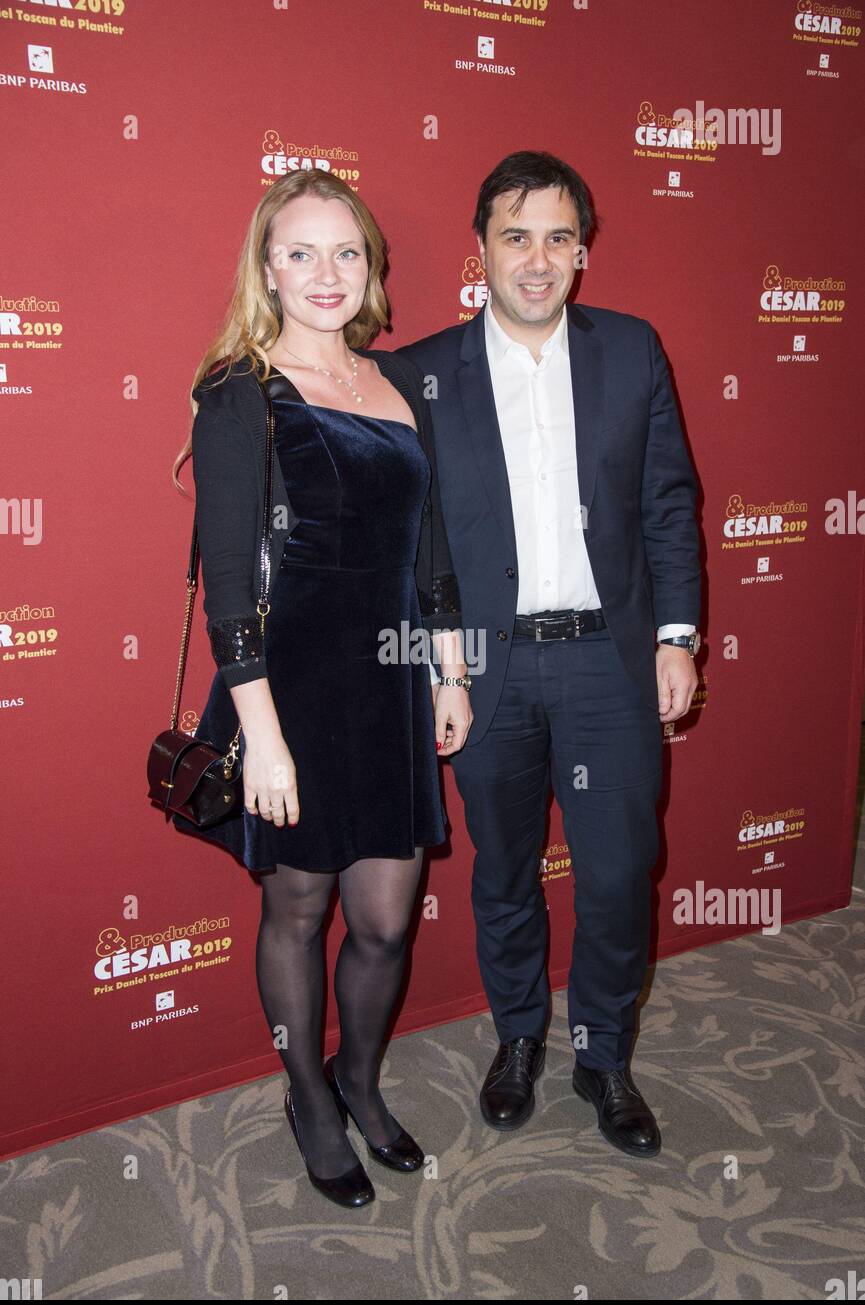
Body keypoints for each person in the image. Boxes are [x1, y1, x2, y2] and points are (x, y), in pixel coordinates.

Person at [171, 169, 472, 1207]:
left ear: (372, 267)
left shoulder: (396, 384)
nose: (326, 273)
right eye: (300, 252)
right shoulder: (239, 389)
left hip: (389, 686)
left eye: (346, 251)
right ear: (266, 268)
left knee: (387, 917)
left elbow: (431, 548)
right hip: (287, 690)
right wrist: (265, 736)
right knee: (297, 908)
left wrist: (450, 668)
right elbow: (227, 584)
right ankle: (307, 1093)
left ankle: (356, 1073)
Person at [399, 150, 701, 1157]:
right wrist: (442, 669)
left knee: (618, 874)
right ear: (479, 248)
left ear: (583, 249)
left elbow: (667, 502)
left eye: (559, 237)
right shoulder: (426, 371)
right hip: (487, 671)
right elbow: (417, 544)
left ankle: (604, 1053)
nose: (537, 259)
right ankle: (520, 1035)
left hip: (608, 665)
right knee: (505, 869)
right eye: (515, 236)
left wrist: (675, 636)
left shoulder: (630, 349)